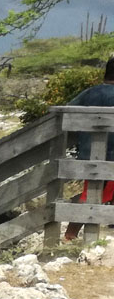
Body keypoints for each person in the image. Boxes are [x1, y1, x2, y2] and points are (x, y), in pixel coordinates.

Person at [62, 57, 114, 242]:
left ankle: (72, 235)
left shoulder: (90, 93)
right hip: (111, 156)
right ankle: (70, 235)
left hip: (87, 152)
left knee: (94, 193)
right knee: (92, 196)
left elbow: (67, 110)